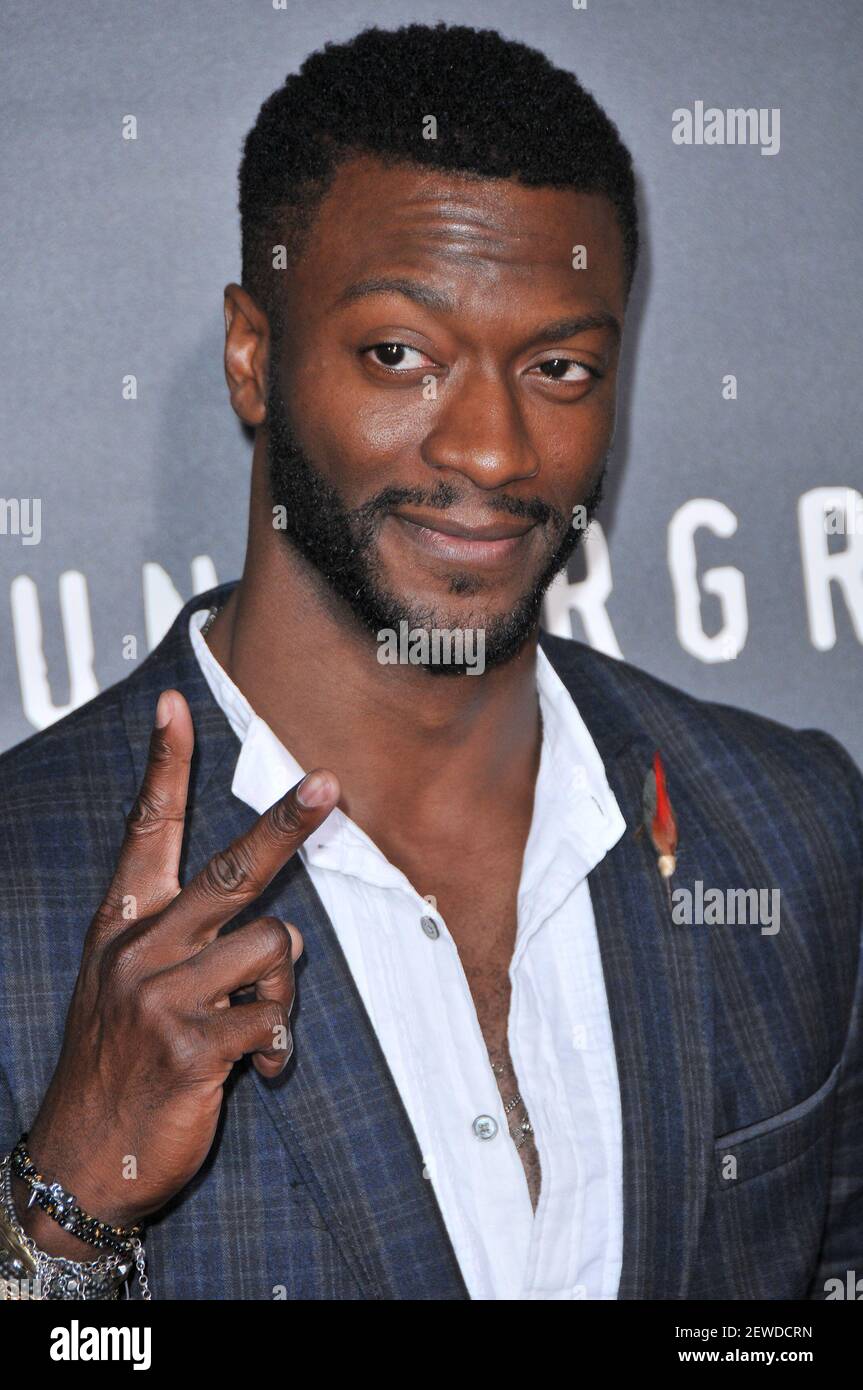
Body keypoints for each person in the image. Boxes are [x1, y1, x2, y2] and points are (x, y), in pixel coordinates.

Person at [0, 22, 860, 1302]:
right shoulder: (23, 887)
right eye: (399, 355)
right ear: (253, 355)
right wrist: (59, 1224)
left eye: (558, 367)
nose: (495, 451)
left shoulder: (786, 833)